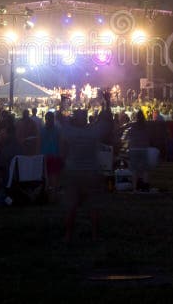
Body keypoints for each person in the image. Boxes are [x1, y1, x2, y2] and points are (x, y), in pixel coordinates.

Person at [61, 91, 112, 244]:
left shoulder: (69, 131)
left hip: (73, 172)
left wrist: (63, 102)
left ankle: (68, 235)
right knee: (93, 206)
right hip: (91, 172)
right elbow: (107, 120)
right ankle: (95, 235)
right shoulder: (94, 132)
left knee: (71, 206)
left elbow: (60, 119)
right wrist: (107, 102)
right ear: (86, 120)